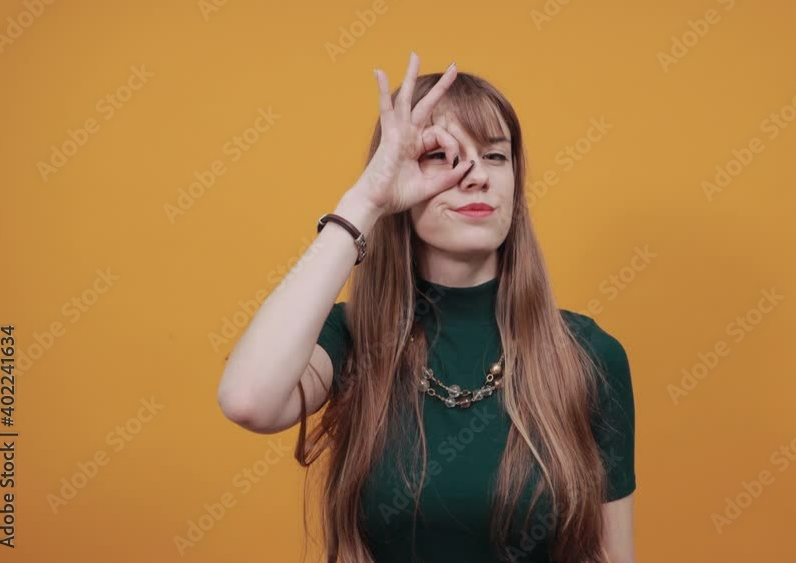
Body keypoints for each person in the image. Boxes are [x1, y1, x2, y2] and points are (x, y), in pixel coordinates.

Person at [217, 52, 636, 563]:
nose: (474, 175)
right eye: (441, 155)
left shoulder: (588, 354)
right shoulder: (351, 339)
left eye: (495, 156)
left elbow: (612, 557)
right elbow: (247, 400)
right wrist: (366, 201)